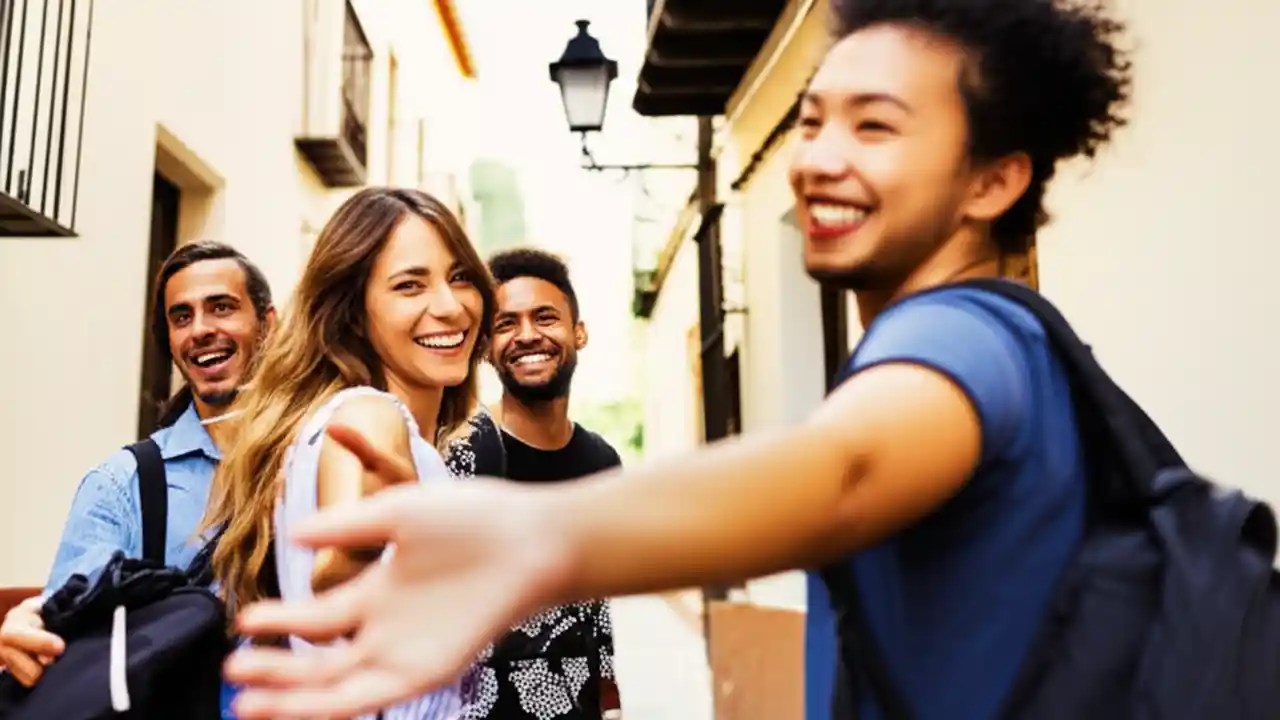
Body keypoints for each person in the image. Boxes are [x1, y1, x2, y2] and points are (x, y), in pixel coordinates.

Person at [221, 0, 1133, 718]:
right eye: (811, 120)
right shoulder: (976, 337)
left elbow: (841, 473)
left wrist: (532, 539)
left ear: (993, 180)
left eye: (876, 127)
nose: (816, 157)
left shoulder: (963, 337)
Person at [202, 187, 496, 720]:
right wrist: (358, 554)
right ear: (355, 316)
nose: (450, 307)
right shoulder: (368, 416)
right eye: (410, 286)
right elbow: (337, 568)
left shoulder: (327, 423)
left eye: (460, 278)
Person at [0, 241, 275, 688]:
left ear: (268, 325)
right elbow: (66, 613)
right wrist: (32, 621)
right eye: (181, 317)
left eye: (221, 308)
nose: (200, 330)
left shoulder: (316, 457)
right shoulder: (121, 485)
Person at [450, 248, 622, 720]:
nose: (527, 336)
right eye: (506, 324)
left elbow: (596, 607)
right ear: (486, 347)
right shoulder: (460, 457)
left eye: (545, 317)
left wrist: (610, 699)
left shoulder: (602, 462)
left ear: (578, 333)